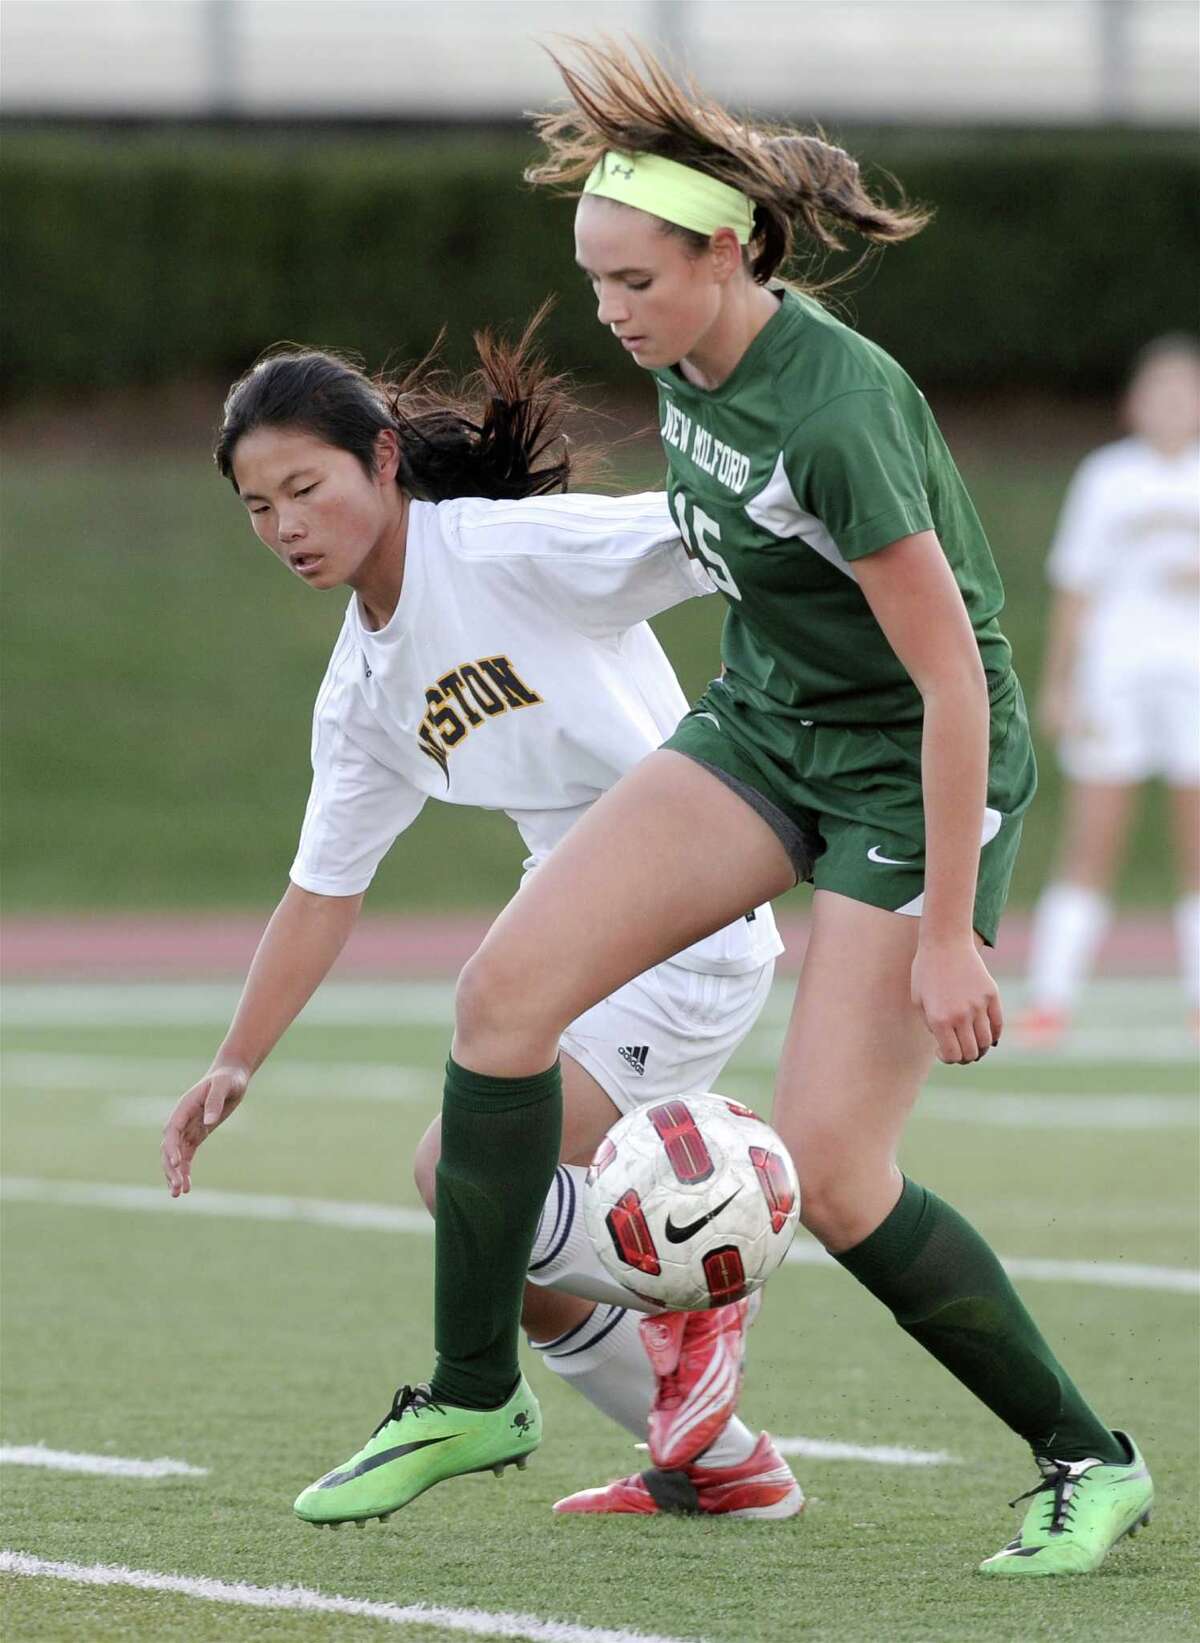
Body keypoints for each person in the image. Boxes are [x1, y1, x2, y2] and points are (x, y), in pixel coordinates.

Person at [305, 39, 1153, 1573]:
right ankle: (478, 1391)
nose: (614, 311)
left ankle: (1088, 1457)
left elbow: (957, 680)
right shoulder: (689, 360)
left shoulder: (833, 414)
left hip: (910, 767)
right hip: (765, 729)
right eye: (597, 278)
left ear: (727, 253)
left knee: (834, 1170)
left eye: (637, 279)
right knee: (498, 997)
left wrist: (953, 930)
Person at [159, 315, 803, 1526]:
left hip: (686, 915)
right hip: (576, 927)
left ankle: (703, 1274)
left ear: (384, 460)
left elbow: (708, 538)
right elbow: (323, 884)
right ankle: (726, 1464)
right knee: (487, 1213)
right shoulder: (363, 682)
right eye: (258, 507)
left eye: (305, 486)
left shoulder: (507, 550)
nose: (285, 525)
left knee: (466, 1177)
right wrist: (235, 1057)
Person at [1020, 335, 1200, 1042]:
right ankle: (1051, 998)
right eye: (1158, 391)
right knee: (1091, 842)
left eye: (1185, 392)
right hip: (1114, 683)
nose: (1171, 405)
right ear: (1134, 403)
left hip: (1193, 684)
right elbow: (1075, 588)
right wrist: (1061, 684)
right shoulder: (1106, 478)